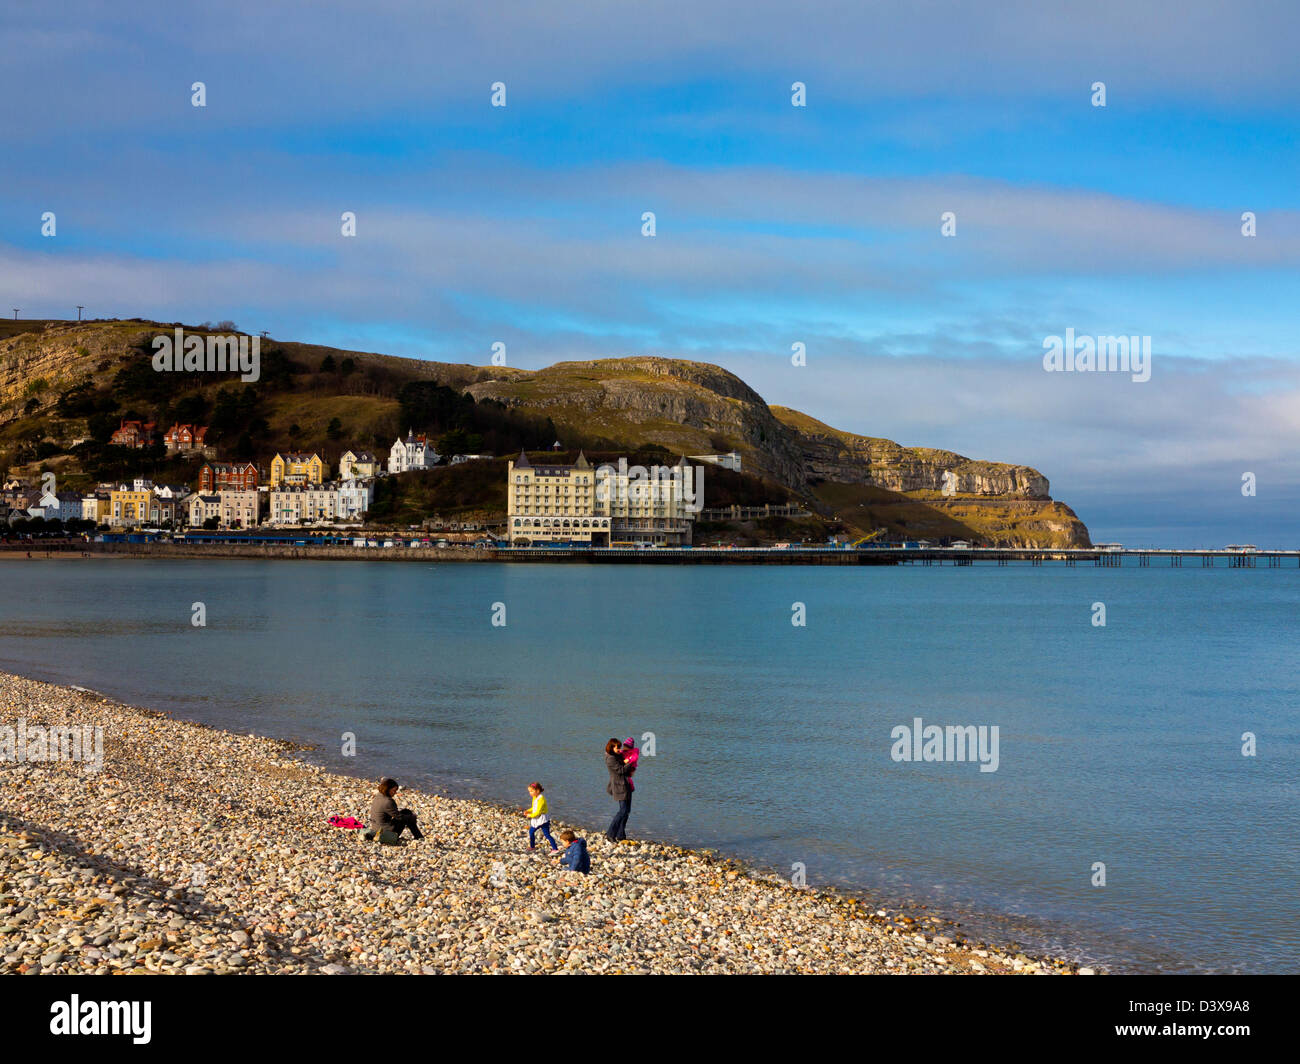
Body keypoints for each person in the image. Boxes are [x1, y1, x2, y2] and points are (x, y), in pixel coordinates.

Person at [604, 738, 634, 842]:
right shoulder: (610, 759)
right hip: (619, 786)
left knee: (626, 811)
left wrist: (627, 754)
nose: (619, 749)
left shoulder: (616, 755)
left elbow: (622, 756)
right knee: (623, 811)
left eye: (620, 747)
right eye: (617, 747)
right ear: (612, 747)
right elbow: (621, 770)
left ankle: (621, 835)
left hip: (625, 785)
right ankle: (610, 833)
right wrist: (630, 762)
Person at [525, 781, 558, 852]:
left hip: (542, 819)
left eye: (531, 791)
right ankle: (532, 846)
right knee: (531, 832)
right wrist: (528, 810)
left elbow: (538, 812)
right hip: (537, 819)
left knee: (547, 835)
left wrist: (530, 815)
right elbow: (534, 807)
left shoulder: (541, 799)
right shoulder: (535, 797)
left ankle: (555, 849)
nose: (530, 793)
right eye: (529, 791)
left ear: (537, 790)